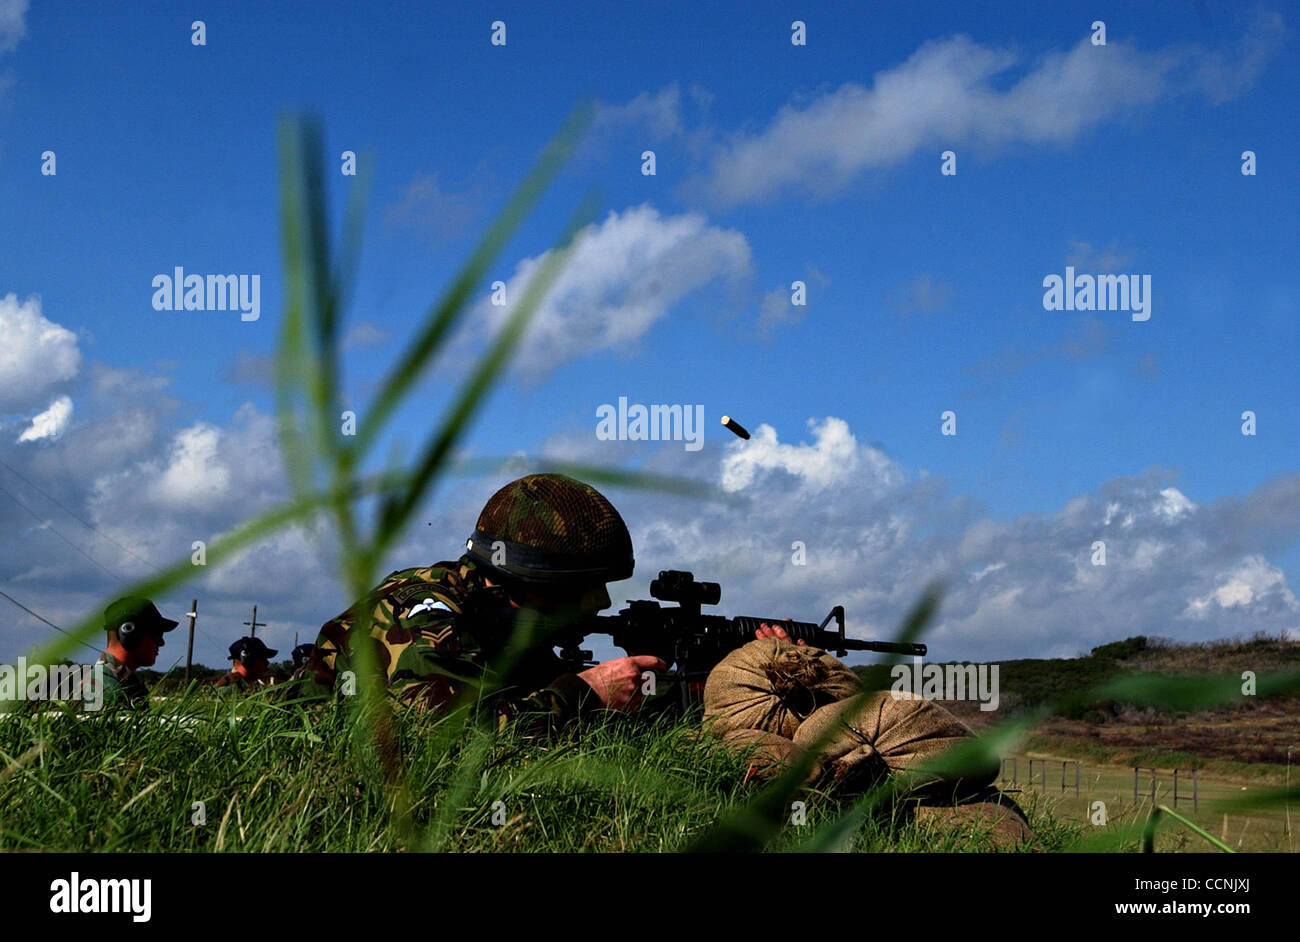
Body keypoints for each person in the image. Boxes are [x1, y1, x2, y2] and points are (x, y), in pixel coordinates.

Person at [309, 473, 672, 734]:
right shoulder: (424, 611)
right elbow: (458, 738)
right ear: (529, 579)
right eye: (584, 585)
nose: (601, 602)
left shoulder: (503, 618)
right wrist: (585, 693)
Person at [96, 597, 179, 709]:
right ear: (130, 633)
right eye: (157, 634)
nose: (161, 642)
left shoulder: (126, 684)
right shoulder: (103, 689)